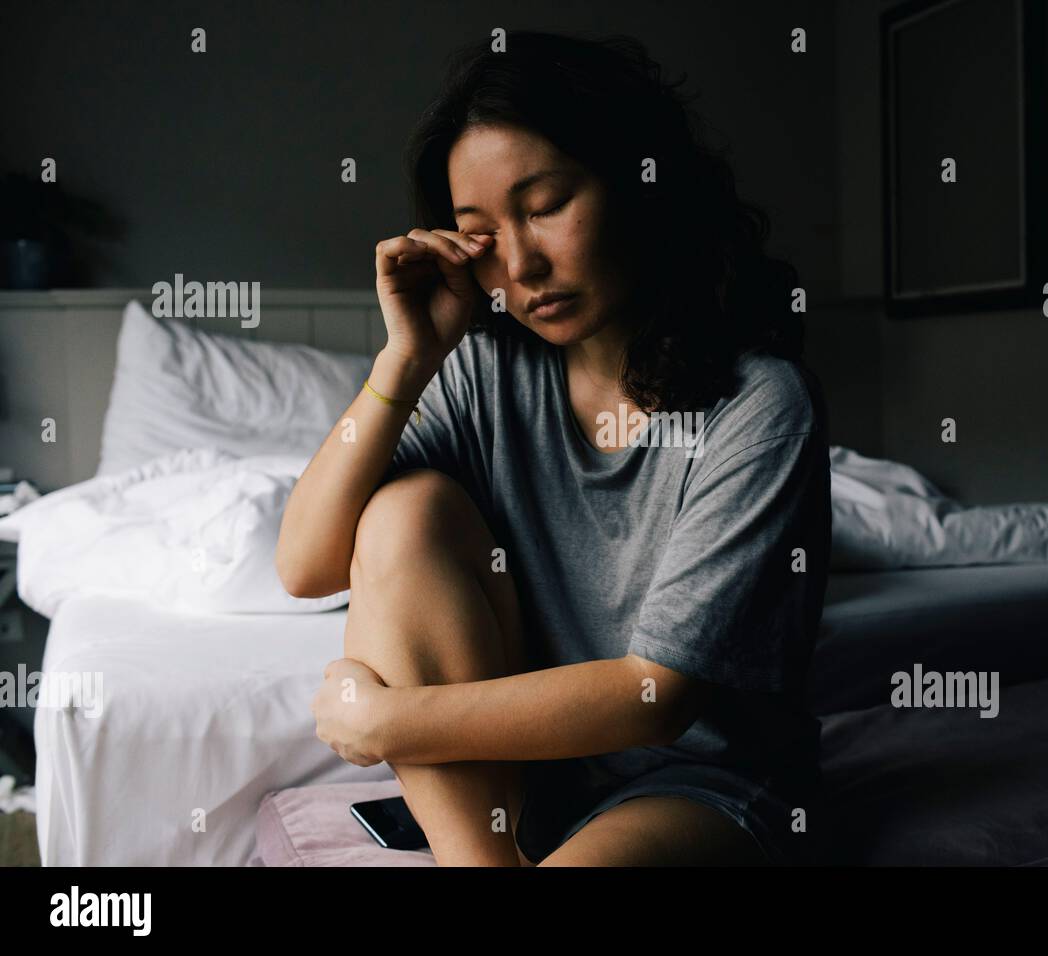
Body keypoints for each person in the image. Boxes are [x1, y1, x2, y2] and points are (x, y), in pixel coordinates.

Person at [277, 30, 831, 866]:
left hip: (698, 786)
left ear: (639, 184)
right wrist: (408, 359)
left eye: (544, 206)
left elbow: (656, 698)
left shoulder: (760, 403)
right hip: (519, 785)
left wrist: (383, 722)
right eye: (484, 233)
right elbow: (306, 565)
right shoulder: (489, 369)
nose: (524, 263)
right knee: (403, 509)